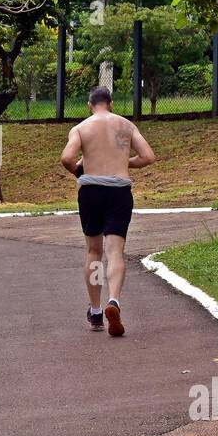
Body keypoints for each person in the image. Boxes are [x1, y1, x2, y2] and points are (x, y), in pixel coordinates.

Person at [60, 86, 156, 336]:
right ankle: (114, 300)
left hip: (91, 192)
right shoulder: (126, 127)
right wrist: (125, 163)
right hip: (119, 193)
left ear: (89, 105)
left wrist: (80, 170)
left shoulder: (81, 128)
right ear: (111, 103)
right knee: (115, 252)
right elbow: (147, 156)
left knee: (94, 250)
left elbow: (67, 158)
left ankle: (95, 310)